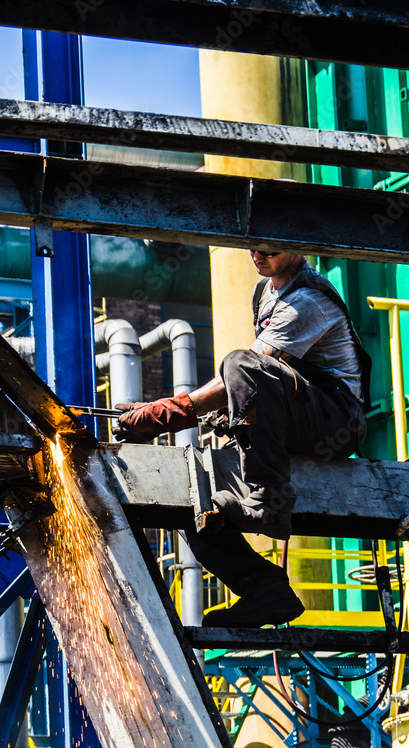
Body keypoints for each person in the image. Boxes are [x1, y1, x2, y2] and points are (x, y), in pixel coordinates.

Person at [114, 249, 369, 627]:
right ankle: (265, 590)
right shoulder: (264, 293)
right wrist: (227, 416)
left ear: (296, 248)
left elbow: (253, 368)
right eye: (252, 247)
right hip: (296, 417)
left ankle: (268, 501)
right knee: (193, 500)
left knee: (240, 362)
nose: (258, 255)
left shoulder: (309, 301)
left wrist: (169, 410)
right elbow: (262, 386)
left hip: (335, 419)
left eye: (269, 249)